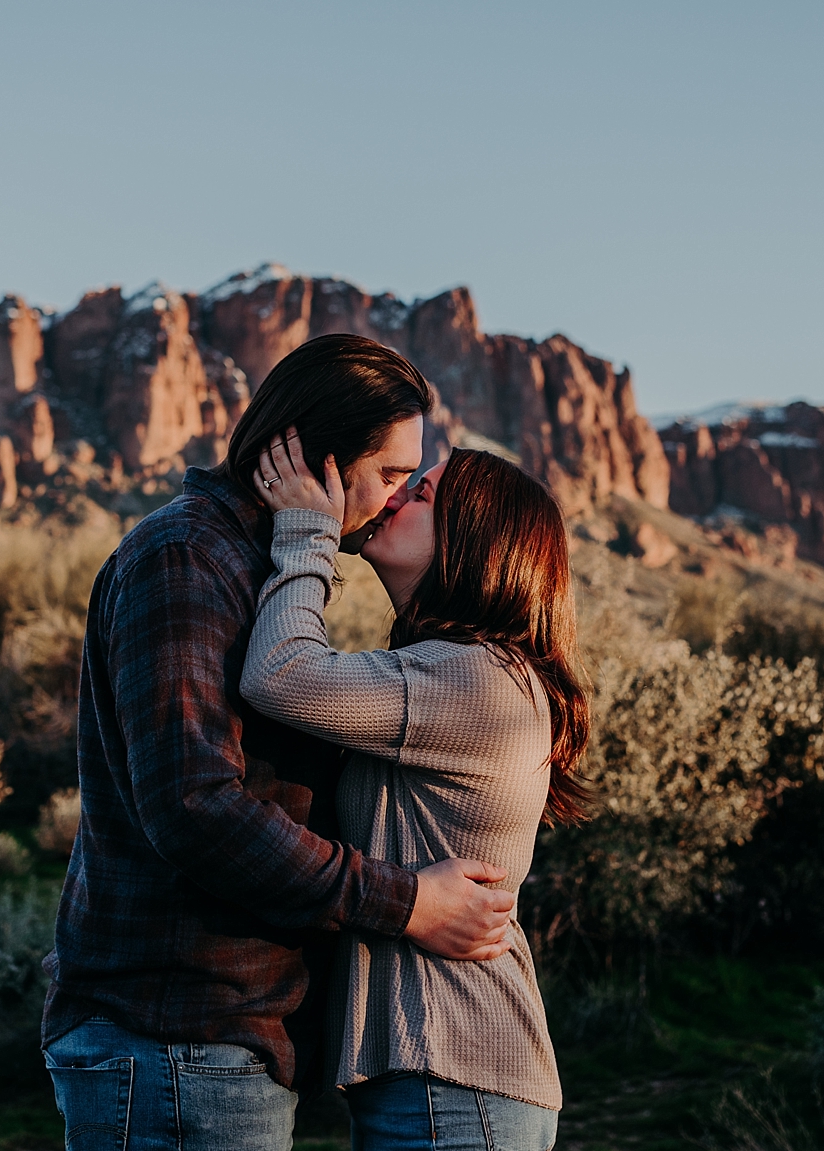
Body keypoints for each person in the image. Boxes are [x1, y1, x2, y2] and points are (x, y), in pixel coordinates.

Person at [43, 334, 520, 1151]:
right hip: (177, 1032)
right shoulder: (188, 558)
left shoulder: (252, 564)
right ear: (321, 461)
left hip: (216, 1039)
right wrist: (406, 902)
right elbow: (195, 806)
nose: (397, 499)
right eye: (392, 475)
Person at [242, 432, 589, 1151]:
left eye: (420, 491)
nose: (394, 494)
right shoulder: (465, 669)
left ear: (474, 538)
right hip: (447, 1079)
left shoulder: (474, 678)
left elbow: (279, 673)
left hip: (455, 1077)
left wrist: (305, 532)